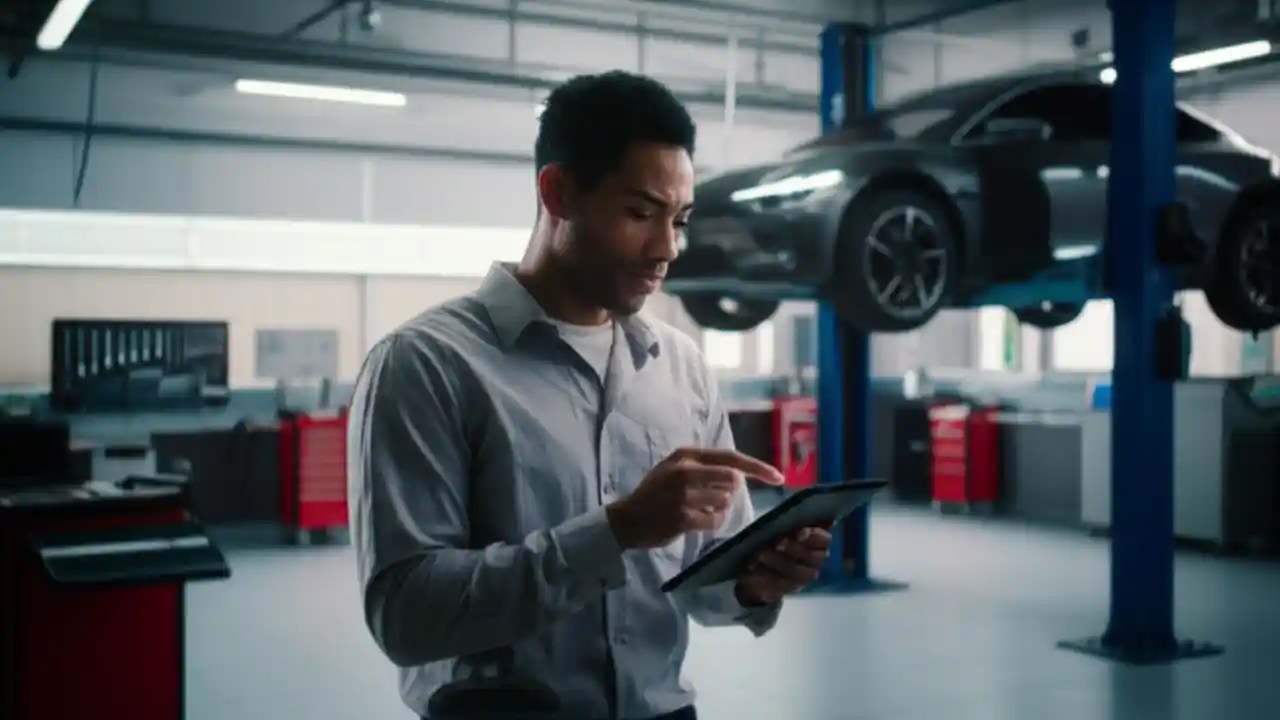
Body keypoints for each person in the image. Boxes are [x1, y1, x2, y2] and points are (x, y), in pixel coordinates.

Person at [347, 70, 833, 720]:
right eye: (640, 213)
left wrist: (753, 579)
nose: (666, 249)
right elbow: (406, 617)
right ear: (558, 193)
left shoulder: (680, 367)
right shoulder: (426, 364)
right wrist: (618, 530)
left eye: (679, 220)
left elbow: (704, 581)